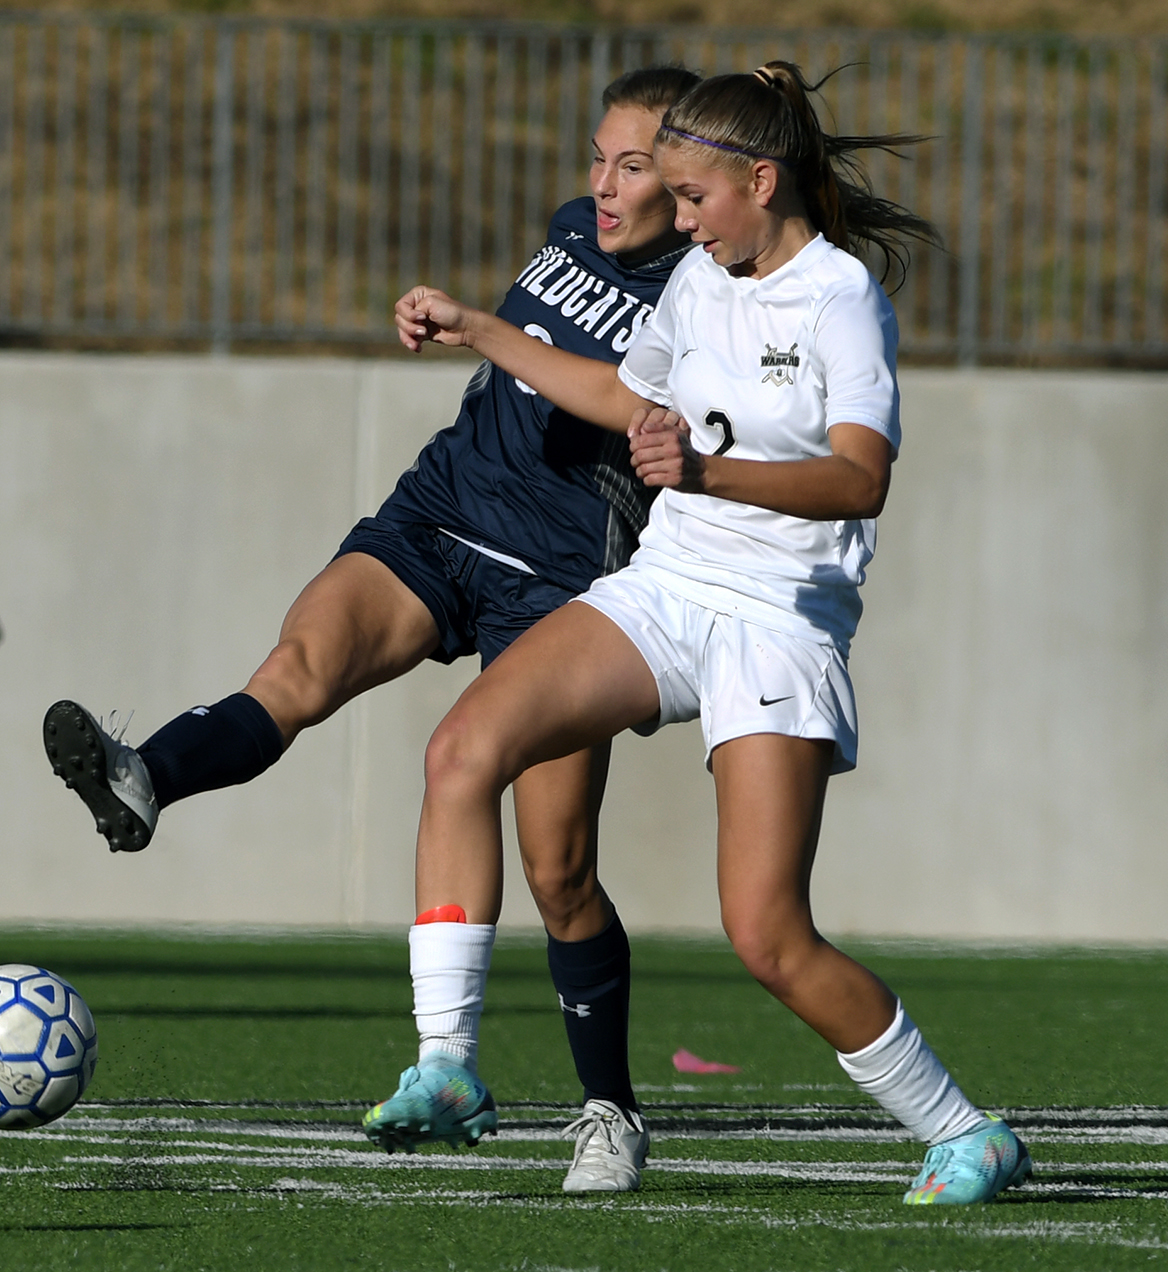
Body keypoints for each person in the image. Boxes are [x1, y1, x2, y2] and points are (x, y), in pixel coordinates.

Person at [381, 64, 1030, 1205]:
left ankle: (969, 1132)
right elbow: (623, 398)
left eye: (692, 197)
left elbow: (860, 479)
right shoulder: (697, 279)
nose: (676, 219)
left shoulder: (837, 298)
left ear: (759, 181)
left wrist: (709, 469)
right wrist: (481, 327)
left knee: (767, 934)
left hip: (781, 622)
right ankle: (447, 1066)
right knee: (461, 753)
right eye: (671, 196)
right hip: (668, 586)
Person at [42, 67, 700, 1192]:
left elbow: (624, 403)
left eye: (630, 166)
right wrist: (439, 319)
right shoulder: (566, 228)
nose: (600, 184)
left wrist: (486, 329)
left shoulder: (705, 291)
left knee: (561, 871)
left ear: (686, 181)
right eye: (595, 155)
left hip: (560, 585)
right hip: (440, 516)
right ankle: (143, 776)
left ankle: (610, 1113)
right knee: (297, 668)